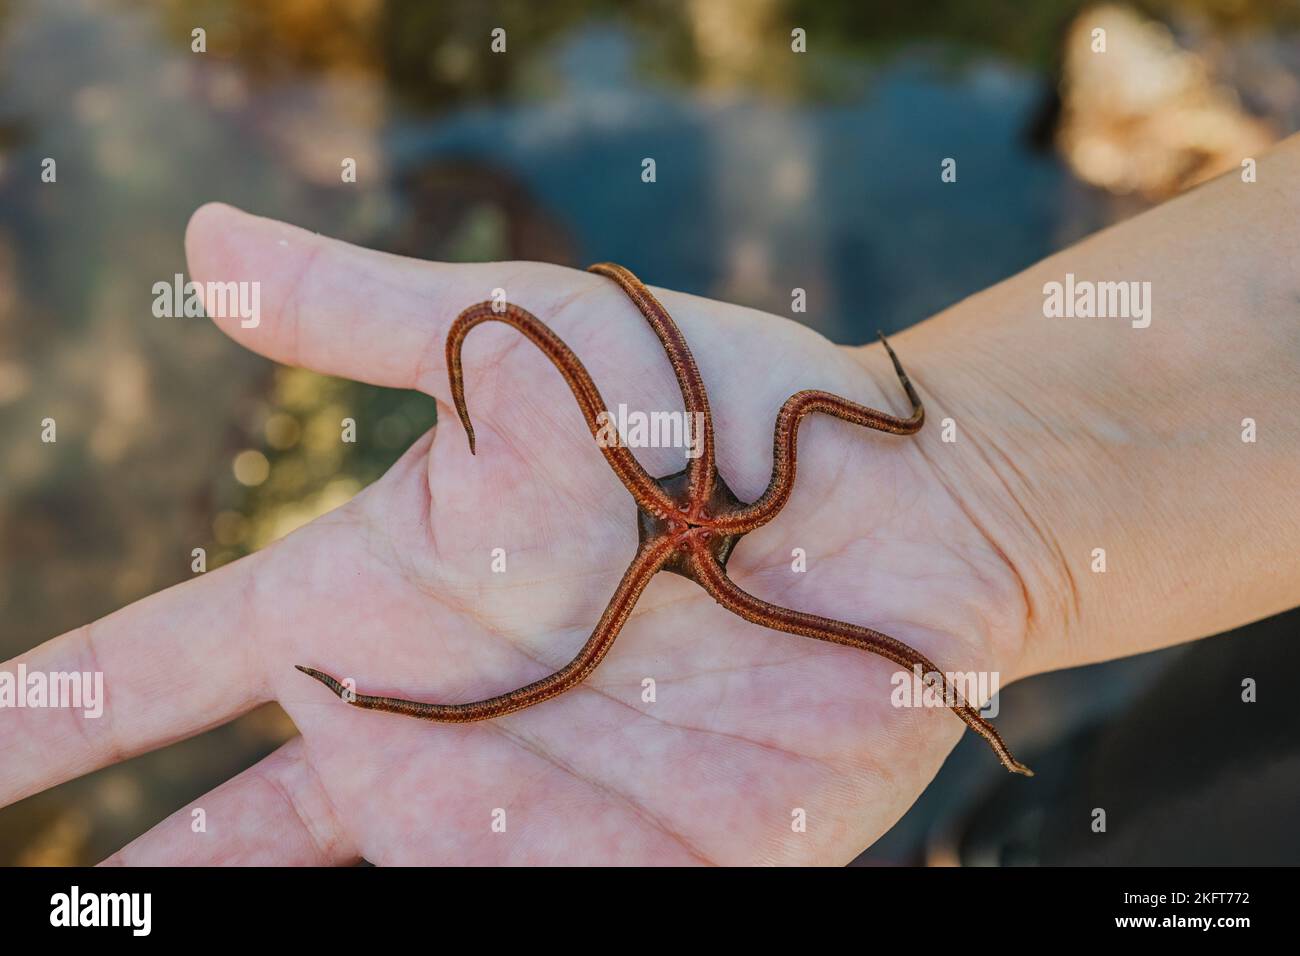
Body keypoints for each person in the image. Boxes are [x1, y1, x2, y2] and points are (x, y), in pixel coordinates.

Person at [3, 134, 1298, 866]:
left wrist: (950, 470)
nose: (688, 533)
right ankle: (1019, 820)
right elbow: (774, 438)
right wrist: (966, 482)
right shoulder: (685, 526)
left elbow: (779, 452)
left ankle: (1016, 807)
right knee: (1126, 815)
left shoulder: (687, 526)